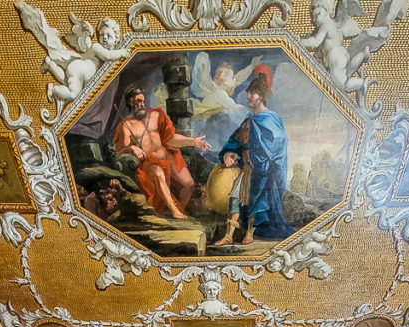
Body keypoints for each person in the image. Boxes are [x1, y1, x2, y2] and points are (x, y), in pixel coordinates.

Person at [213, 66, 292, 246]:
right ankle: (228, 235)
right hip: (246, 167)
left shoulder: (270, 118)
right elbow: (237, 140)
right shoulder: (249, 119)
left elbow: (279, 142)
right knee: (235, 198)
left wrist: (261, 158)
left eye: (253, 93)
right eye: (248, 92)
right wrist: (230, 153)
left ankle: (250, 232)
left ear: (261, 97)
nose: (249, 96)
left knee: (254, 200)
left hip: (262, 170)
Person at [113, 84, 210, 220]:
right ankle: (174, 210)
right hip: (149, 162)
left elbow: (171, 139)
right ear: (130, 102)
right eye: (138, 102)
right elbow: (119, 153)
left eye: (143, 101)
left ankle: (178, 208)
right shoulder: (126, 126)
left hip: (168, 156)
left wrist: (194, 141)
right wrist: (131, 148)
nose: (142, 105)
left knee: (189, 184)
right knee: (158, 174)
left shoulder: (156, 115)